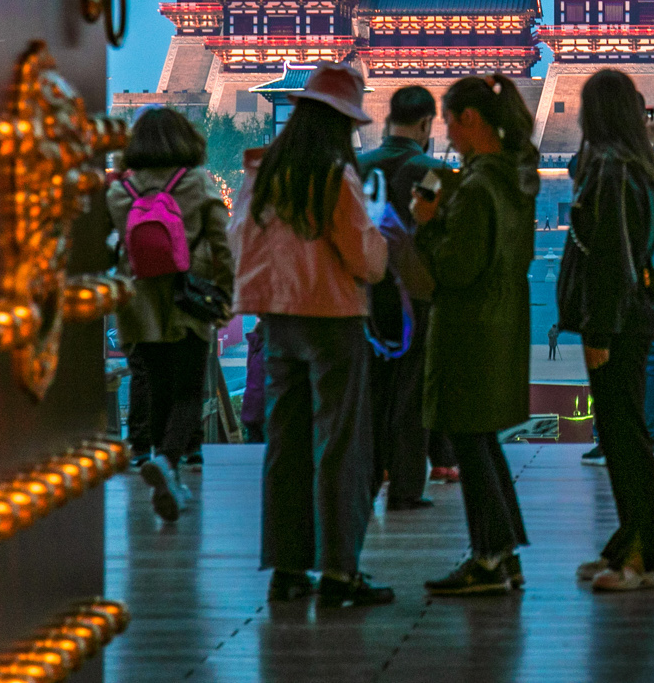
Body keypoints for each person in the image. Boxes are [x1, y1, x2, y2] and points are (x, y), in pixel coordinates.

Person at [230, 62, 392, 607]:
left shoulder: (262, 172)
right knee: (341, 445)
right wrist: (385, 249)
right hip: (333, 318)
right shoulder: (333, 174)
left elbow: (240, 244)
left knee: (286, 443)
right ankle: (342, 570)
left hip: (276, 321)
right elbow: (363, 257)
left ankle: (287, 566)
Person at [414, 74, 541, 595]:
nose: (447, 133)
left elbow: (455, 267)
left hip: (469, 328)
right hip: (503, 321)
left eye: (449, 121)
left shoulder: (477, 186)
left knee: (470, 442)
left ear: (470, 119)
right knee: (482, 442)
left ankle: (489, 557)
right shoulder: (516, 178)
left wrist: (427, 221)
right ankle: (502, 551)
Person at [557, 69, 654, 592]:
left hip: (617, 323)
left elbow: (609, 259)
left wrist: (598, 330)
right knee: (628, 437)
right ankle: (630, 544)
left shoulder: (611, 170)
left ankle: (641, 558)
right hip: (637, 316)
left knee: (625, 439)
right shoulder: (637, 165)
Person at [106, 108, 233, 522]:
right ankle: (168, 462)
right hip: (188, 297)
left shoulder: (120, 189)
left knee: (156, 387)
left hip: (137, 299)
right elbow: (220, 244)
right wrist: (224, 294)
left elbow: (109, 246)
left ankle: (163, 464)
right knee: (188, 390)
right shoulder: (196, 183)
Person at [357, 85, 443, 512]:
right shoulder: (431, 170)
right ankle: (407, 485)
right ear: (427, 123)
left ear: (389, 119)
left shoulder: (358, 166)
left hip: (365, 294)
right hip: (416, 296)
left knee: (370, 390)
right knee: (412, 391)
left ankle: (367, 478)